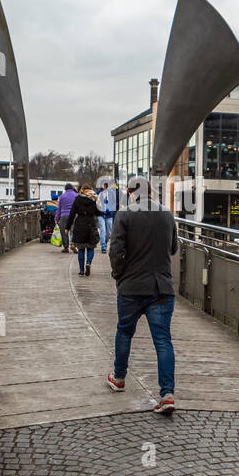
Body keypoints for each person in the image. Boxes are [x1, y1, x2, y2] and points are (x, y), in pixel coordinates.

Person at [106, 176, 178, 415]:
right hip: (161, 288)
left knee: (125, 331)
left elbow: (116, 251)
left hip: (132, 288)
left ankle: (118, 378)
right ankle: (167, 394)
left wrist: (119, 276)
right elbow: (174, 248)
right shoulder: (167, 215)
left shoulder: (124, 215)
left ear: (131, 192)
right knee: (162, 340)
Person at [66, 183, 101, 276]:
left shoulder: (77, 199)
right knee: (91, 247)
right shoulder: (94, 199)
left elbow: (72, 214)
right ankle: (88, 263)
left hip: (80, 225)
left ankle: (81, 270)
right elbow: (98, 213)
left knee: (81, 249)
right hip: (91, 224)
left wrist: (67, 227)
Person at [96, 177, 118, 255]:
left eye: (104, 184)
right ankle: (103, 247)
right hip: (101, 214)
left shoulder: (111, 193)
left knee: (109, 232)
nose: (103, 186)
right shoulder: (98, 193)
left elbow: (115, 203)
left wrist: (111, 209)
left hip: (109, 215)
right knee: (103, 230)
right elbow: (96, 203)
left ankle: (104, 242)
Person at [55, 183, 78, 253]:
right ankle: (73, 244)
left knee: (64, 231)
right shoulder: (76, 195)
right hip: (74, 215)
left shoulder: (62, 196)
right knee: (73, 230)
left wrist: (56, 218)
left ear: (65, 189)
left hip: (64, 215)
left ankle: (66, 247)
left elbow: (59, 208)